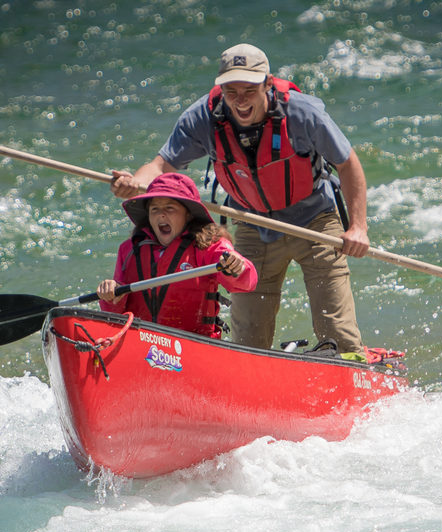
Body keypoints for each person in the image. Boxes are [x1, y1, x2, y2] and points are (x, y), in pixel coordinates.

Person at [110, 43, 369, 354]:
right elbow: (161, 165)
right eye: (231, 91)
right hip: (252, 223)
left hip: (315, 221)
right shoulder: (203, 118)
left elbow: (348, 163)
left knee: (337, 329)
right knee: (247, 339)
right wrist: (136, 183)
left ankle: (351, 365)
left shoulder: (303, 113)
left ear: (268, 84)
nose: (240, 100)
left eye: (249, 89)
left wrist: (358, 227)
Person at [97, 173, 257, 339]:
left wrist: (237, 267)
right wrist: (110, 295)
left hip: (194, 342)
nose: (161, 215)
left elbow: (247, 283)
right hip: (142, 340)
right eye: (154, 209)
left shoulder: (210, 246)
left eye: (170, 208)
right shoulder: (128, 249)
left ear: (188, 214)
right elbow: (113, 315)